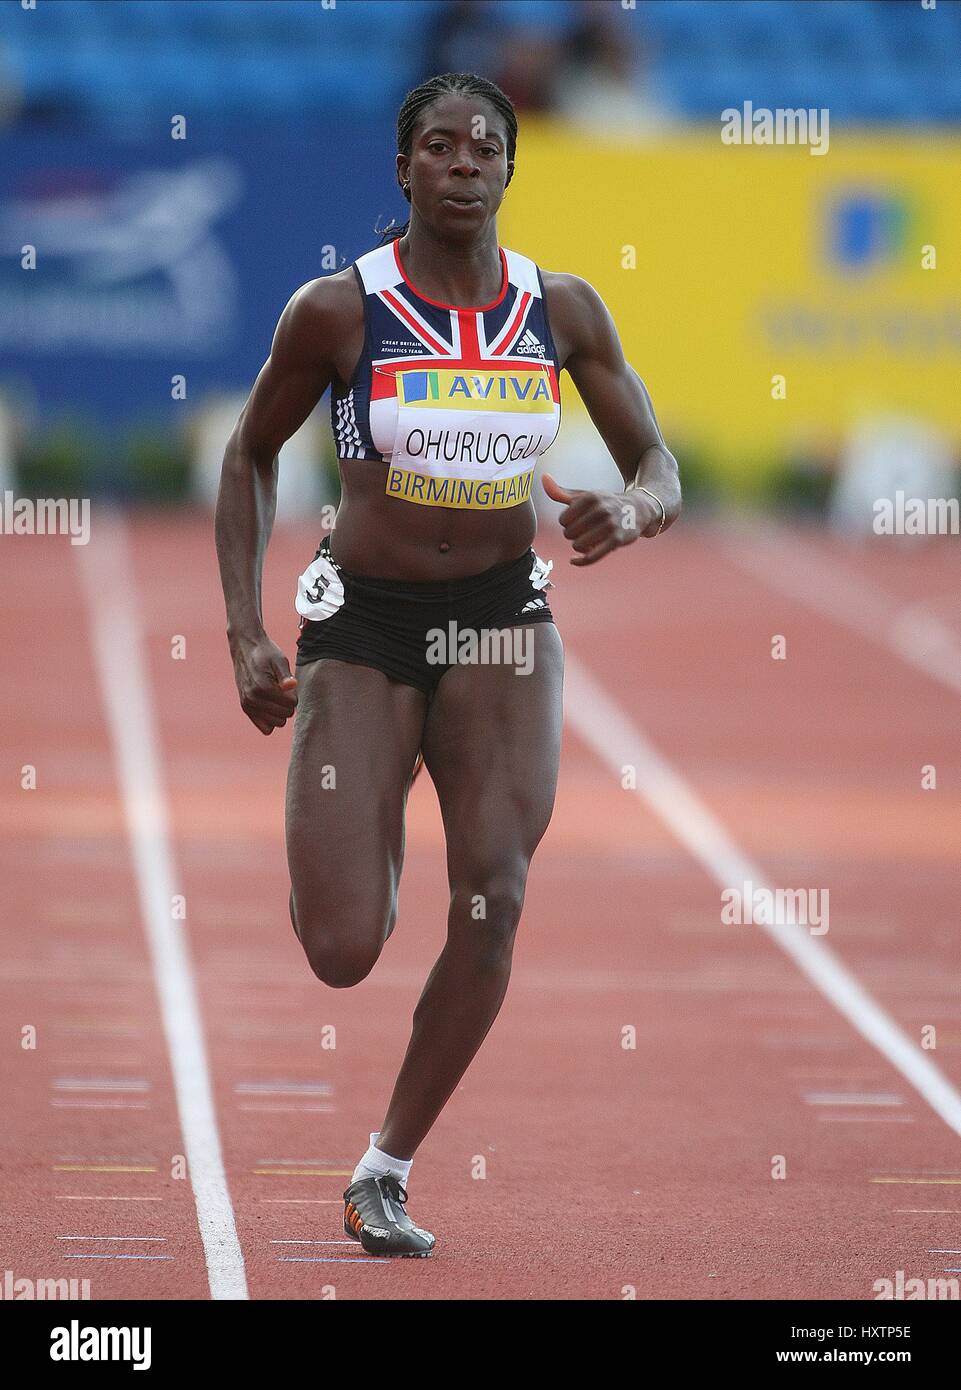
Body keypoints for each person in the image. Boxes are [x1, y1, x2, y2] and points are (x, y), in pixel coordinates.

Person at [215, 71, 680, 1259]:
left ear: (511, 171)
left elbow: (658, 466)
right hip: (364, 626)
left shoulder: (559, 311)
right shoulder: (337, 310)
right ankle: (368, 813)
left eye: (486, 146)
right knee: (342, 948)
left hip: (499, 621)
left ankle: (384, 1169)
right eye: (440, 145)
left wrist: (626, 516)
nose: (465, 161)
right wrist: (246, 631)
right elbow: (247, 457)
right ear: (404, 169)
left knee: (496, 895)